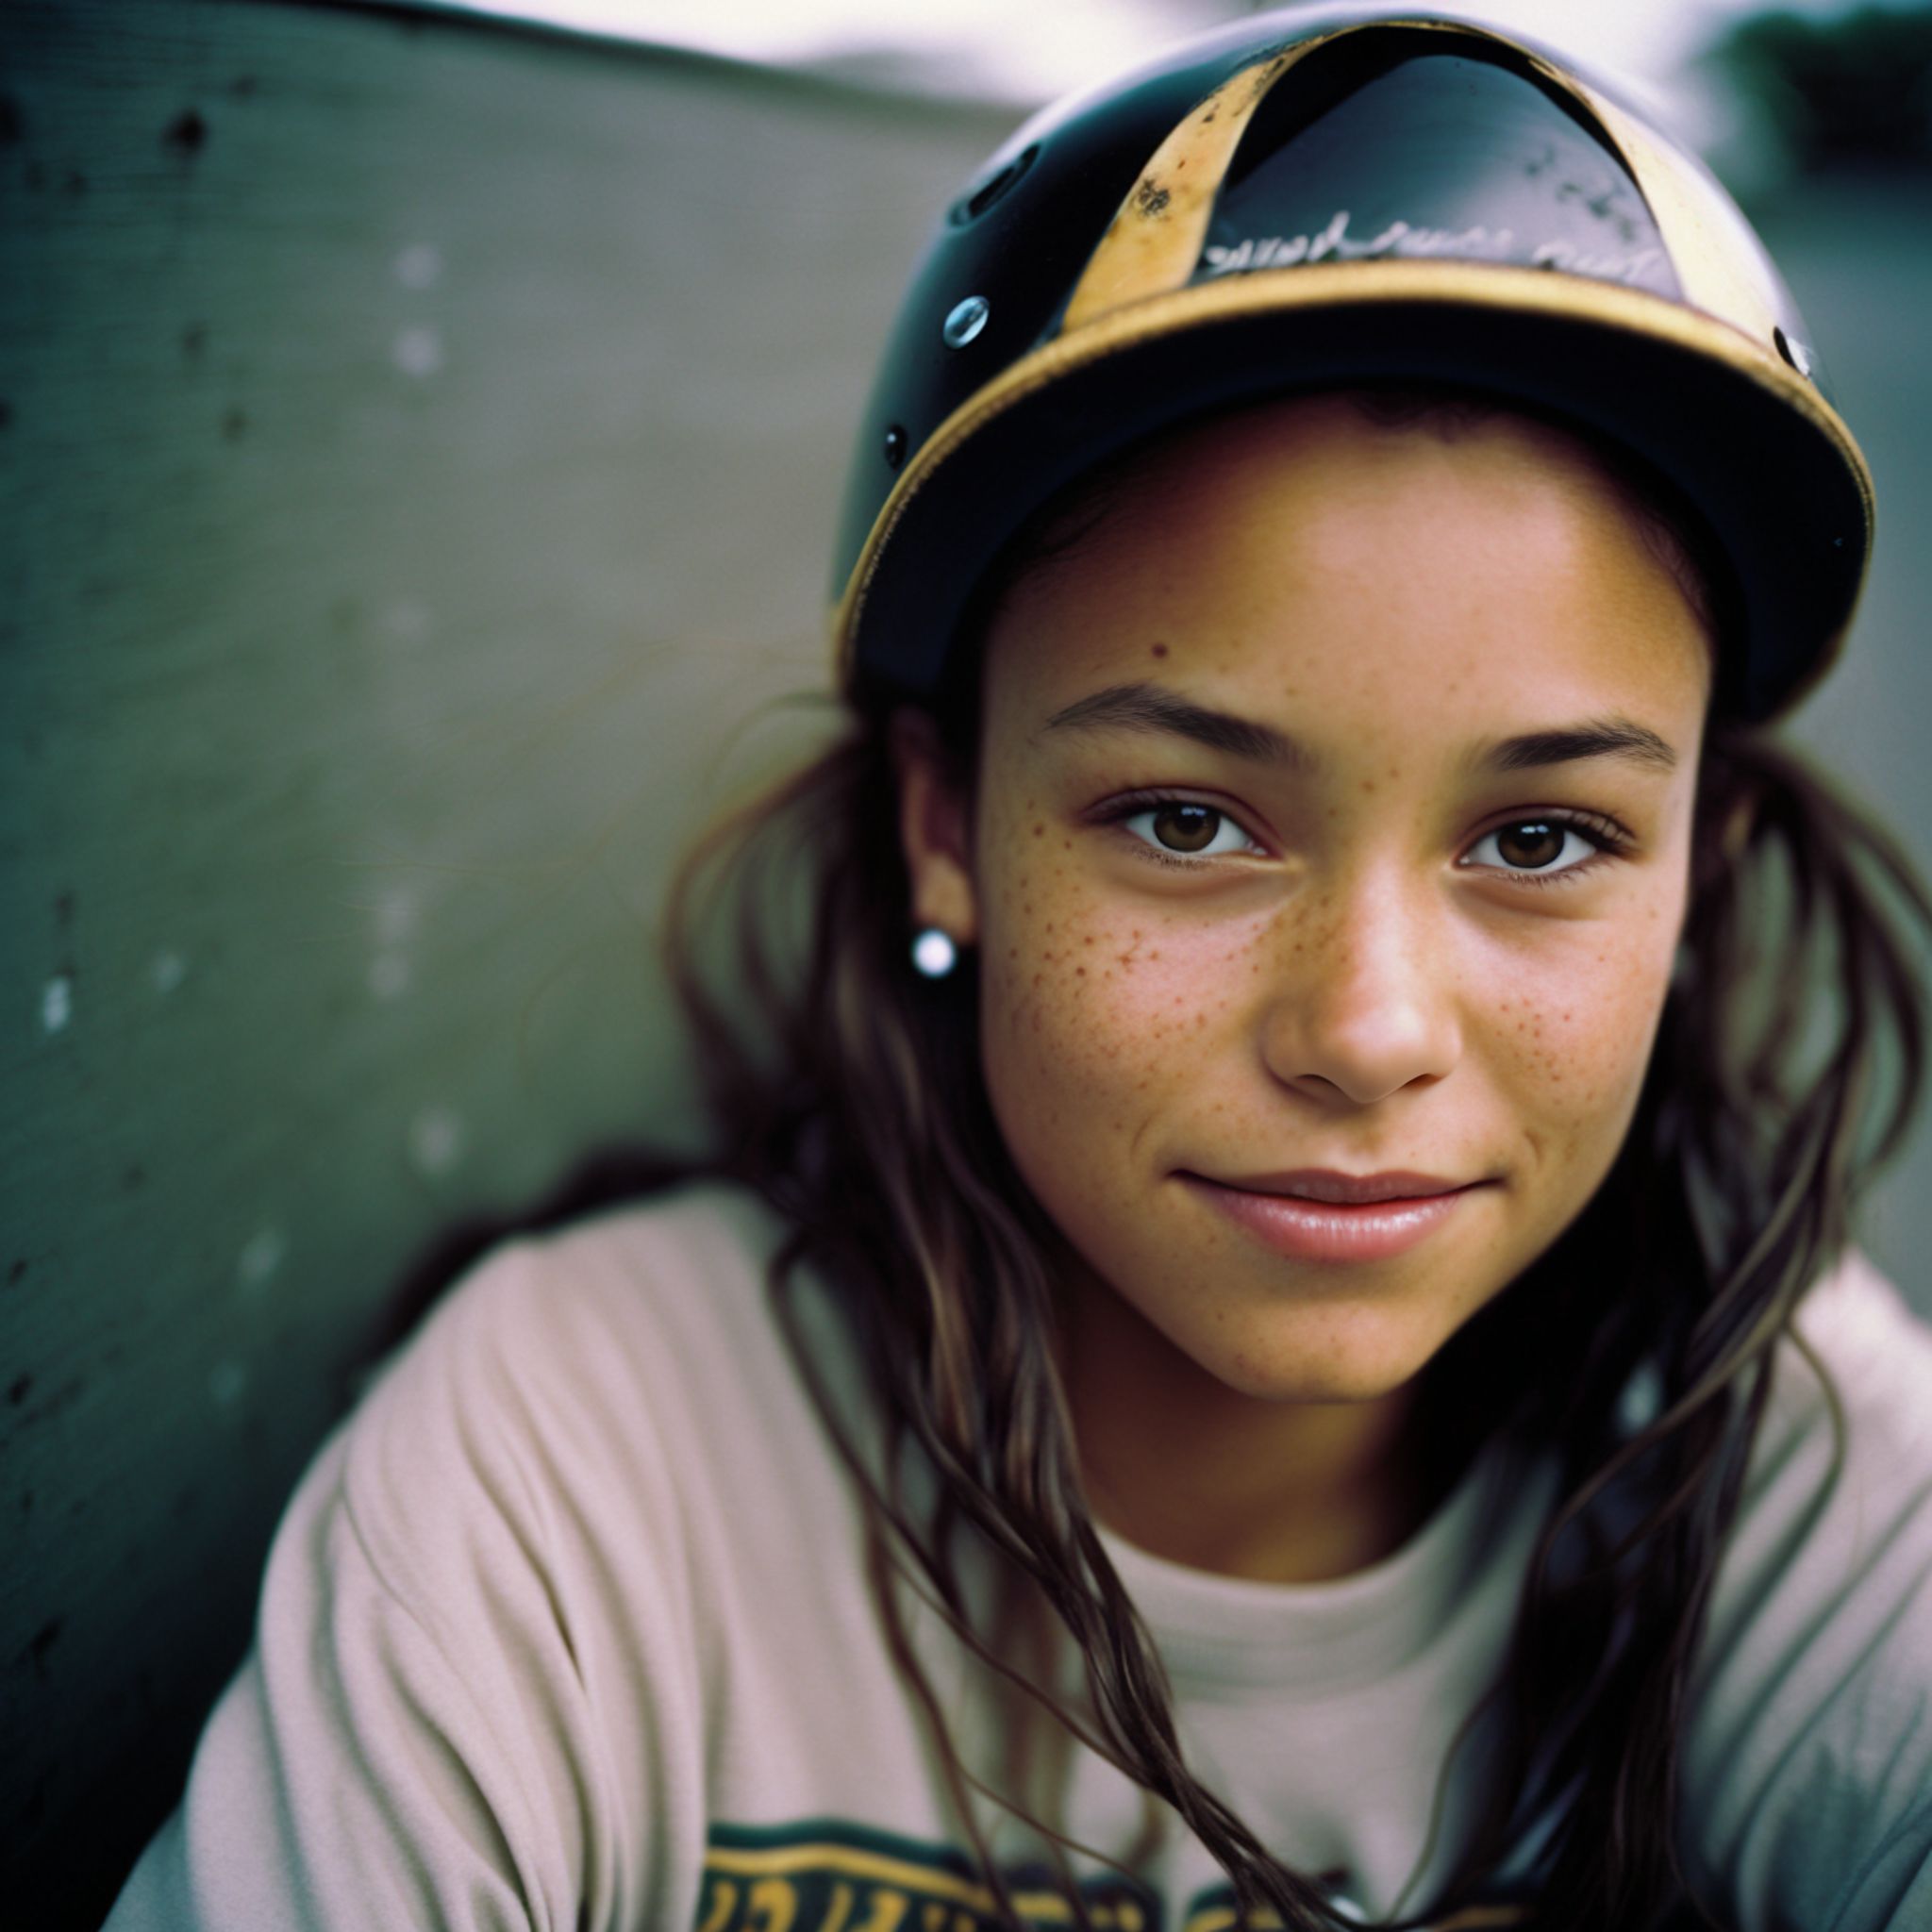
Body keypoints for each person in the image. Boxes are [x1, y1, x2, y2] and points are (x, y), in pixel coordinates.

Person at [105, 8, 1932, 1930]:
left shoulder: (1802, 1491)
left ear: (1695, 883)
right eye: (1185, 818)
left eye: (1539, 840)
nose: (1368, 1029)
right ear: (946, 823)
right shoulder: (584, 1472)